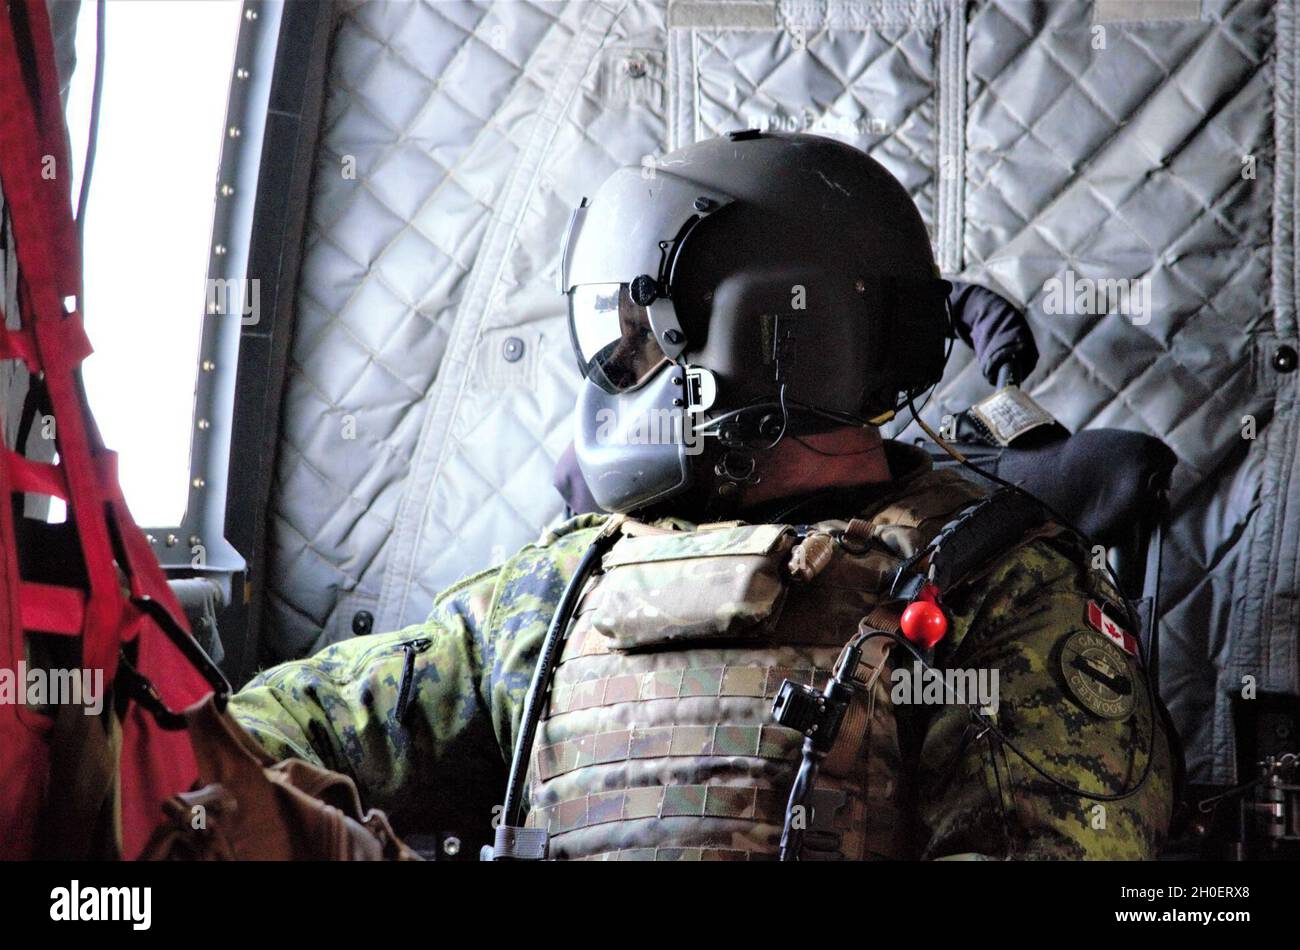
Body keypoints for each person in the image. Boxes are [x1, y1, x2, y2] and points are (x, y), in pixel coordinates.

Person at [229, 131, 1176, 861]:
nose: (614, 373)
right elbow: (256, 740)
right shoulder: (557, 589)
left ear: (767, 335)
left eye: (637, 336)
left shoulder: (1000, 592)